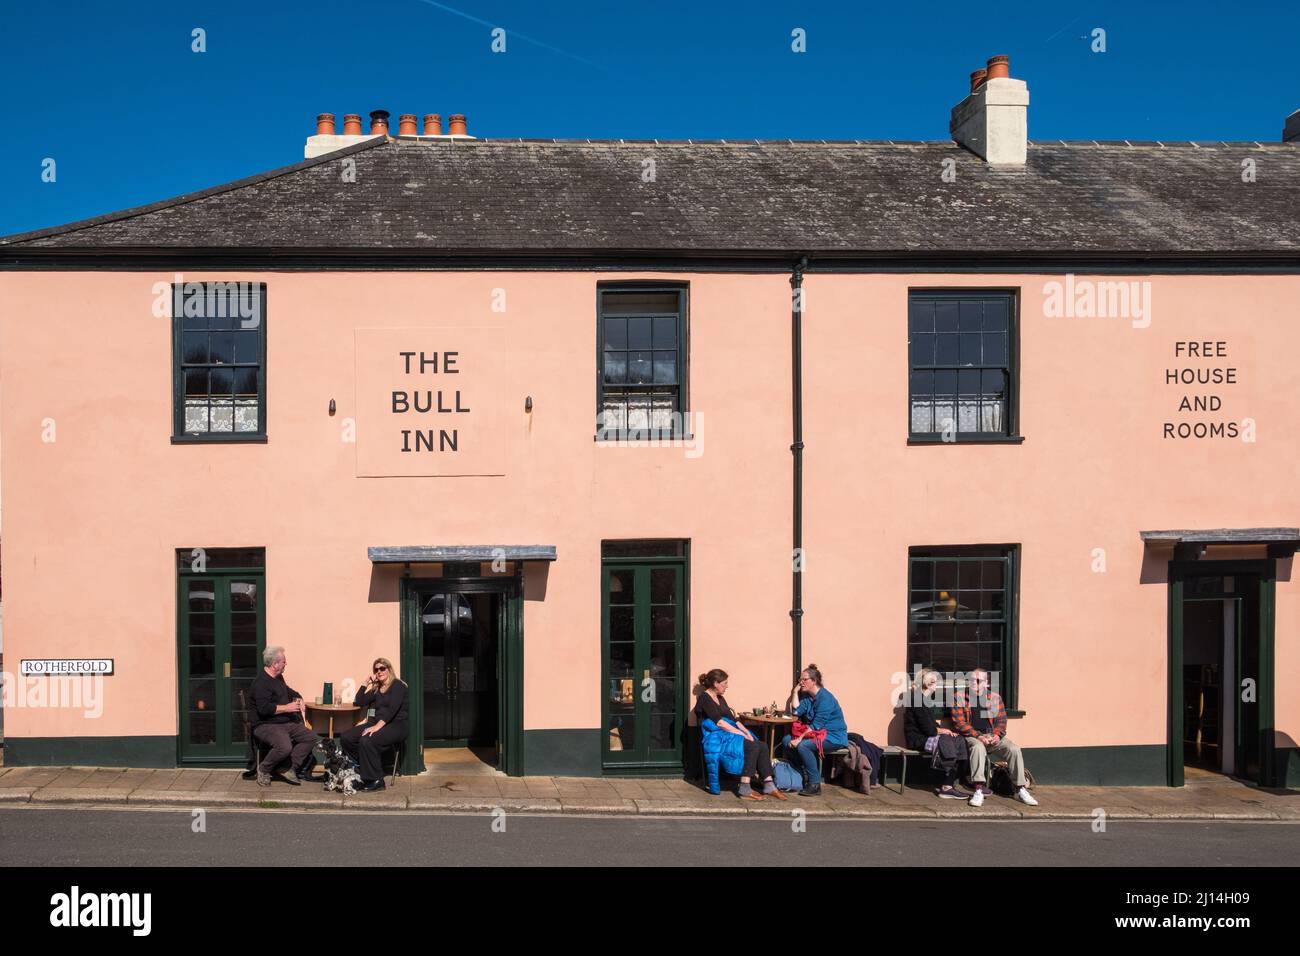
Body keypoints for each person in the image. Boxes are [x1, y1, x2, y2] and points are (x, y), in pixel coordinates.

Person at [693, 669, 786, 801]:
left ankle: (769, 784)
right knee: (752, 747)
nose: (727, 686)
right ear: (715, 683)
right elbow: (719, 723)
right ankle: (744, 787)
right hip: (717, 738)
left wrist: (747, 732)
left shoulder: (720, 698)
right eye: (724, 683)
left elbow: (734, 720)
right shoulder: (704, 699)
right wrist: (740, 733)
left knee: (762, 745)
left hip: (729, 733)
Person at [950, 668, 1038, 807]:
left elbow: (1001, 721)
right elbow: (960, 723)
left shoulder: (994, 698)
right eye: (972, 680)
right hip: (972, 735)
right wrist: (979, 736)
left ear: (986, 683)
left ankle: (1020, 789)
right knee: (978, 748)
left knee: (1014, 749)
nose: (974, 683)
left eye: (978, 681)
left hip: (992, 734)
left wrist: (997, 735)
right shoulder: (959, 696)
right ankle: (978, 789)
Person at [250, 646, 317, 787]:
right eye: (284, 662)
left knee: (310, 737)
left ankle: (288, 768)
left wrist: (299, 698)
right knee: (284, 746)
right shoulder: (261, 683)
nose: (286, 664)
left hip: (284, 722)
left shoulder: (278, 678)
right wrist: (287, 708)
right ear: (275, 664)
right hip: (265, 724)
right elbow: (264, 709)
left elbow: (289, 691)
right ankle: (264, 769)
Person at [341, 658, 409, 792]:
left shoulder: (398, 685)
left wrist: (376, 727)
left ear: (389, 669)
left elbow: (392, 710)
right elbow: (358, 701)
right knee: (346, 737)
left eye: (382, 668)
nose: (379, 671)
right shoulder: (377, 689)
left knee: (367, 739)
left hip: (397, 725)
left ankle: (376, 780)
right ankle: (364, 767)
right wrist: (365, 683)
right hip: (377, 723)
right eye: (376, 669)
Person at [781, 663, 849, 796]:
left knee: (803, 746)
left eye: (804, 679)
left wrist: (799, 739)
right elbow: (797, 711)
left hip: (832, 737)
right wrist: (795, 692)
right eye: (800, 680)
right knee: (786, 740)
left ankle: (814, 784)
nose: (801, 682)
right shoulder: (808, 697)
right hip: (815, 734)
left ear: (814, 681)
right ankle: (802, 774)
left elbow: (816, 726)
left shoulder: (826, 699)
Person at [902, 669, 969, 799]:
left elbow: (932, 724)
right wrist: (944, 731)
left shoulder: (924, 700)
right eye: (935, 681)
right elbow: (929, 730)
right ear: (928, 684)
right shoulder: (916, 700)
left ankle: (948, 784)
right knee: (946, 741)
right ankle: (947, 786)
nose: (937, 684)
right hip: (918, 739)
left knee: (959, 740)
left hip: (927, 736)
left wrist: (946, 731)